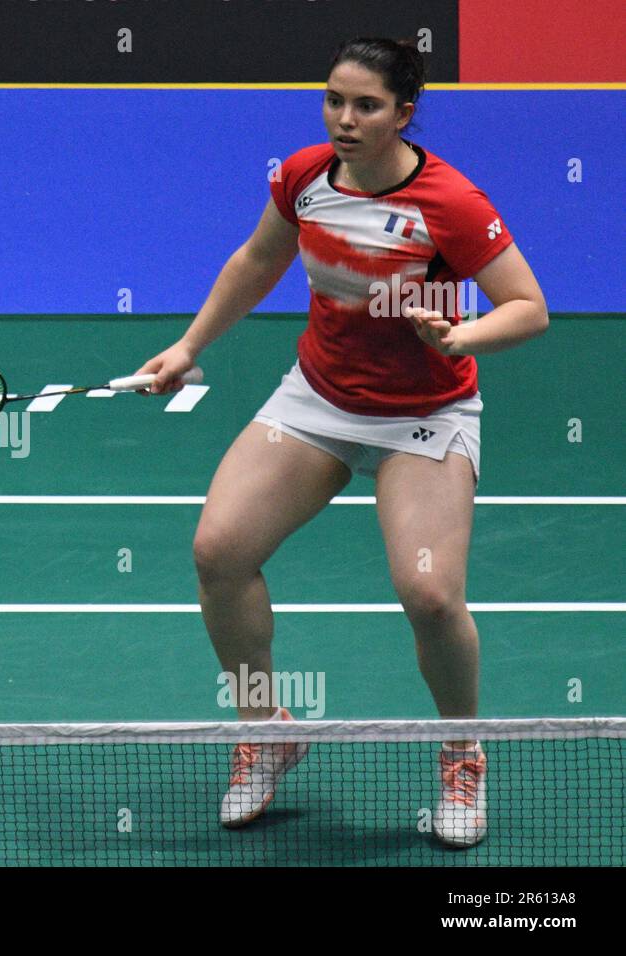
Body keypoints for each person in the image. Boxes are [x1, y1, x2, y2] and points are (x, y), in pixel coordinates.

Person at [136, 38, 548, 848]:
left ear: (404, 112)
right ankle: (267, 727)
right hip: (319, 399)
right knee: (219, 550)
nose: (345, 119)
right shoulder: (303, 177)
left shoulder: (449, 203)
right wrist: (190, 347)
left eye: (365, 106)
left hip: (424, 414)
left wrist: (461, 336)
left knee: (429, 595)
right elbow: (259, 260)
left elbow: (528, 306)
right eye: (334, 100)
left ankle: (460, 753)